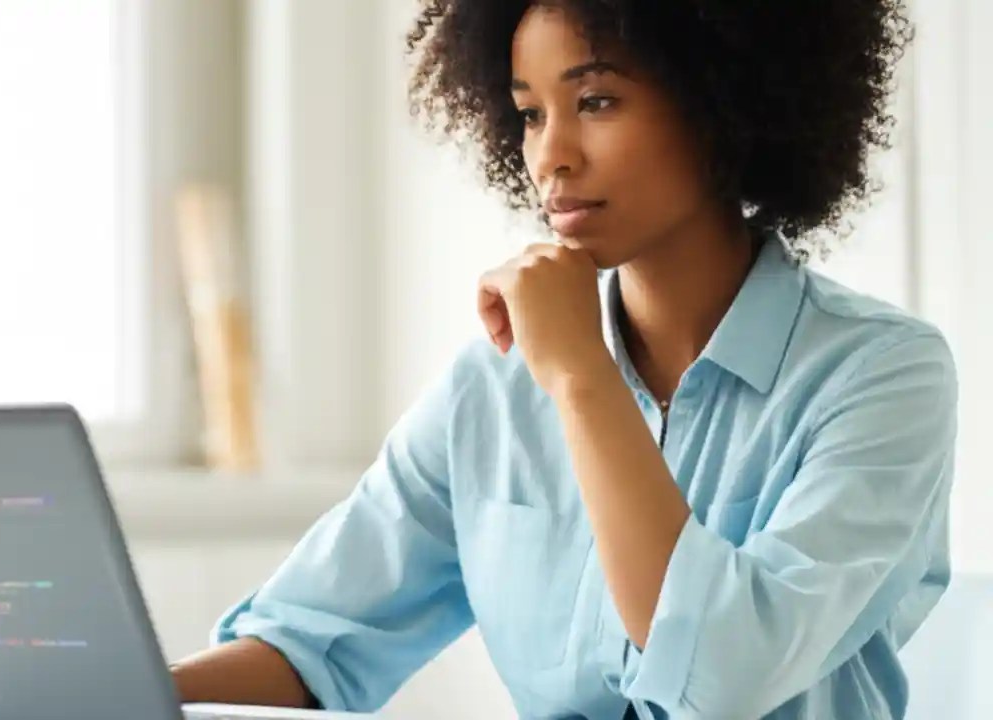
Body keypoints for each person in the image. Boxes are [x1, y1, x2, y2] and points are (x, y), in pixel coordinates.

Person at [172, 1, 954, 718]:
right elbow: (311, 644)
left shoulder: (881, 375)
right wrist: (107, 693)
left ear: (722, 103)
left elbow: (721, 676)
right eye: (530, 113)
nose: (551, 156)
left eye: (596, 102)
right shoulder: (492, 389)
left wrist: (582, 378)